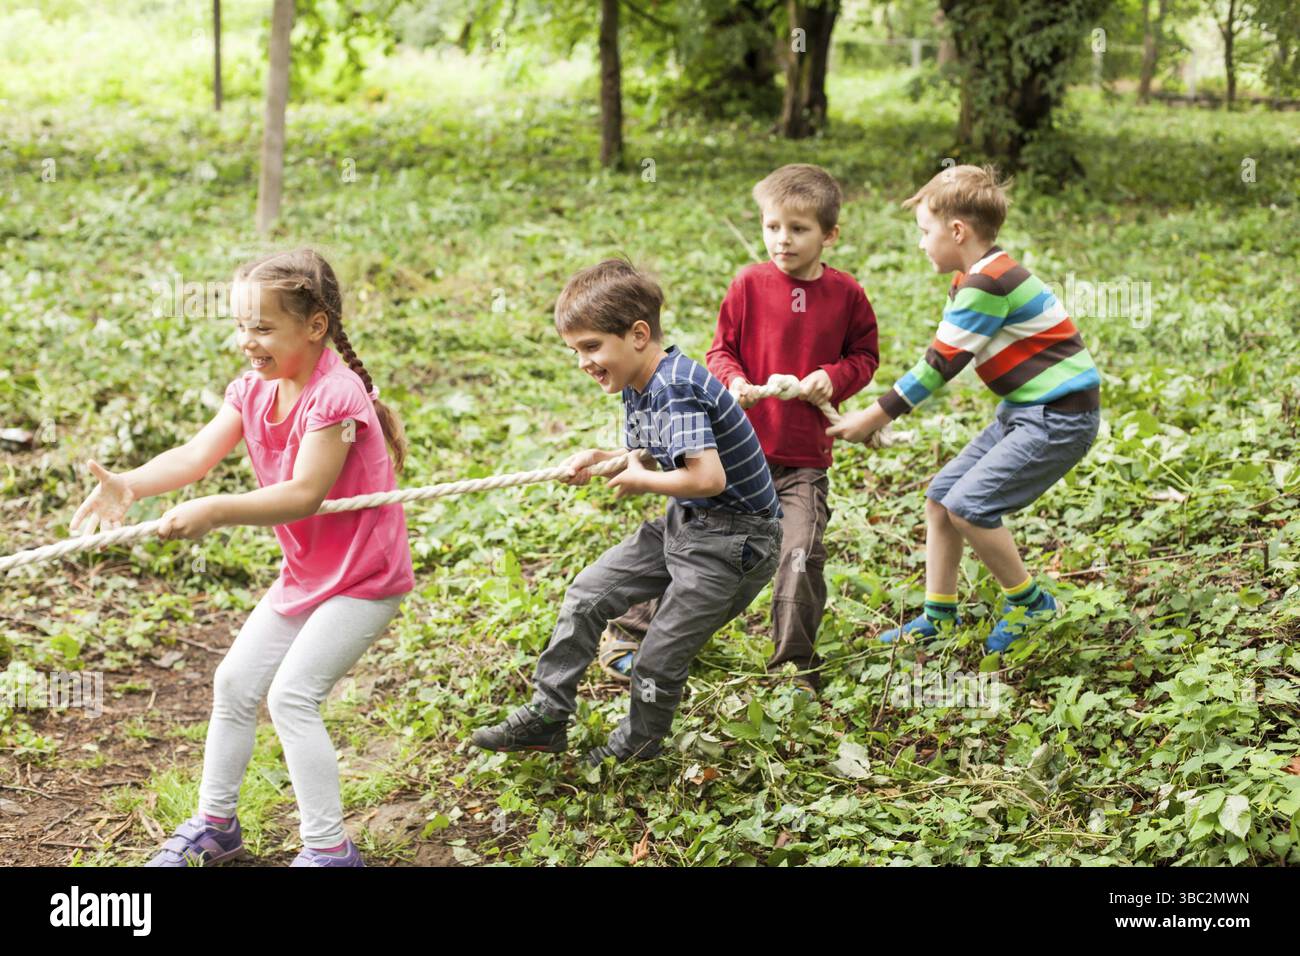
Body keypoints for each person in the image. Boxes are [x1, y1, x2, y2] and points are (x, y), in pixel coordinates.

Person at [71, 249, 414, 866]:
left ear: (314, 326)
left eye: (261, 328)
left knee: (291, 697)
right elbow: (195, 454)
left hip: (365, 577)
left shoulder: (336, 397)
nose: (246, 341)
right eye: (240, 326)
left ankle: (329, 851)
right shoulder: (254, 390)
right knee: (233, 682)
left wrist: (217, 509)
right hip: (308, 573)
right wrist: (132, 483)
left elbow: (304, 494)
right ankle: (216, 824)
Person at [471, 258, 782, 765]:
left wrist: (640, 480)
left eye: (591, 347)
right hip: (689, 523)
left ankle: (639, 743)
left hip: (735, 543)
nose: (583, 363)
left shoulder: (675, 387)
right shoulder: (639, 383)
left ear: (638, 335)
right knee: (587, 594)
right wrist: (604, 460)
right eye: (575, 351)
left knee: (658, 657)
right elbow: (655, 452)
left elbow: (708, 478)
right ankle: (548, 715)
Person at [599, 163, 879, 694]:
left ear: (829, 235)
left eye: (798, 229)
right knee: (693, 542)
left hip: (803, 462)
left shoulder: (847, 295)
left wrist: (832, 377)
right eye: (773, 226)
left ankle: (793, 663)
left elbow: (864, 356)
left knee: (800, 552)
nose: (783, 240)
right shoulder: (748, 284)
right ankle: (631, 630)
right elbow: (720, 350)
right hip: (734, 457)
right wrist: (733, 380)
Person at [829, 165, 1100, 652]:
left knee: (970, 507)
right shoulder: (975, 278)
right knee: (940, 501)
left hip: (1059, 419)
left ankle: (1032, 604)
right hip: (1023, 413)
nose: (921, 244)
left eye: (924, 232)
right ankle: (939, 616)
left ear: (957, 231)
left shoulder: (988, 284)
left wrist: (873, 416)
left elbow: (939, 364)